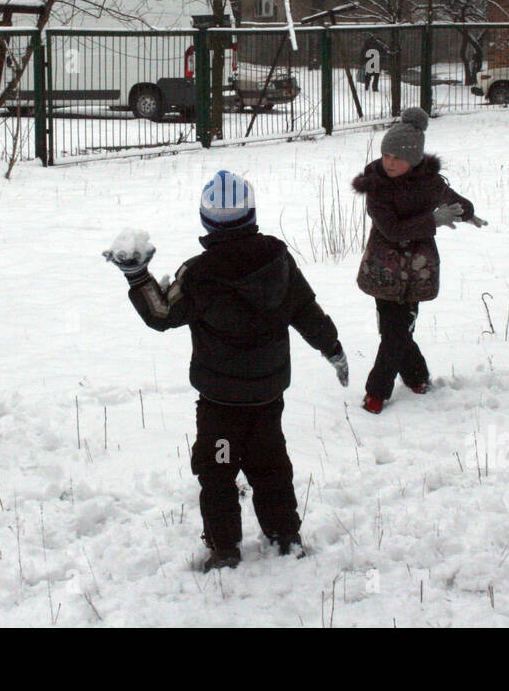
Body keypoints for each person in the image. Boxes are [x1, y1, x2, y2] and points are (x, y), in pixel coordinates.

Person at [105, 171, 349, 572]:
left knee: (217, 471)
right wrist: (332, 347)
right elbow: (305, 310)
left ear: (206, 221)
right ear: (252, 215)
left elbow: (163, 313)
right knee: (270, 466)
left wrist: (137, 275)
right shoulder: (279, 260)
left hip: (221, 402)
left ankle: (224, 549)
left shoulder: (199, 274)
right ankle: (285, 536)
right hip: (268, 394)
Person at [352, 108, 486, 414]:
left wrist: (468, 213)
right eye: (386, 155)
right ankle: (391, 386)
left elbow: (450, 199)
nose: (389, 162)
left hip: (417, 271)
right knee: (396, 332)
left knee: (397, 331)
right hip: (384, 270)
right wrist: (432, 221)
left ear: (413, 160)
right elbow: (392, 229)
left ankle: (404, 382)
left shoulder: (428, 181)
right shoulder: (377, 187)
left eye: (397, 158)